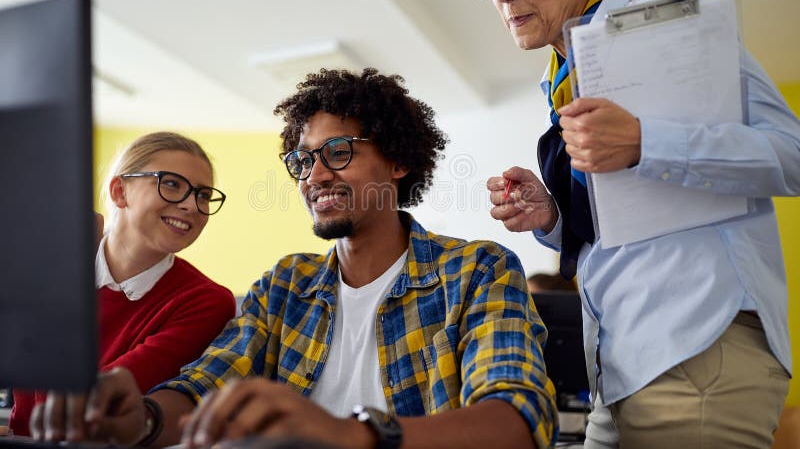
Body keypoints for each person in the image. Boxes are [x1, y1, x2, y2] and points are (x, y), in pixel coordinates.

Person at [33, 69, 557, 449]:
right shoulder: (287, 285)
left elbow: (517, 417)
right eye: (303, 160)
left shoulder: (475, 271)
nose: (315, 175)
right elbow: (203, 384)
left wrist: (349, 433)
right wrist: (141, 418)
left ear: (397, 160)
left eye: (338, 152)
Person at [472, 0, 800, 447]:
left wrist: (647, 143)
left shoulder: (668, 28)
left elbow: (792, 153)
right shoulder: (559, 77)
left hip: (695, 351)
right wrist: (553, 217)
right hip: (615, 371)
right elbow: (623, 223)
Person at [11, 132, 236, 436]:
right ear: (119, 191)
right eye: (171, 184)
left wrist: (60, 293)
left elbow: (86, 405)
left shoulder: (206, 301)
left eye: (203, 195)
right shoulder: (48, 264)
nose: (192, 206)